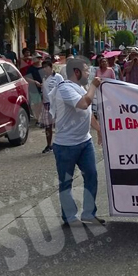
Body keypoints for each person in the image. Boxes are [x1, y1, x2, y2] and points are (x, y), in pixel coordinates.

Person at [48, 58, 104, 226]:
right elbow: (83, 104)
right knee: (66, 181)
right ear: (77, 72)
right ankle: (70, 217)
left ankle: (88, 213)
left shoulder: (80, 87)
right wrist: (94, 86)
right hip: (66, 145)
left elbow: (87, 114)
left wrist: (99, 129)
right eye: (87, 71)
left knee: (92, 176)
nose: (90, 74)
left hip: (84, 142)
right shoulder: (64, 88)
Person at [40, 60, 64, 153]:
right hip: (46, 104)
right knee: (48, 126)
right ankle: (49, 145)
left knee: (58, 124)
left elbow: (62, 89)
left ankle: (60, 143)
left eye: (47, 67)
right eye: (43, 67)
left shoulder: (58, 77)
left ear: (51, 67)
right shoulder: (44, 78)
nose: (45, 69)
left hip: (56, 104)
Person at [25, 55, 44, 121]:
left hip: (44, 88)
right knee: (37, 104)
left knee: (44, 104)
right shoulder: (31, 68)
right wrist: (35, 82)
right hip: (34, 89)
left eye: (39, 58)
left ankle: (42, 117)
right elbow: (26, 78)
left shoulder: (43, 67)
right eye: (37, 58)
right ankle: (38, 119)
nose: (38, 60)